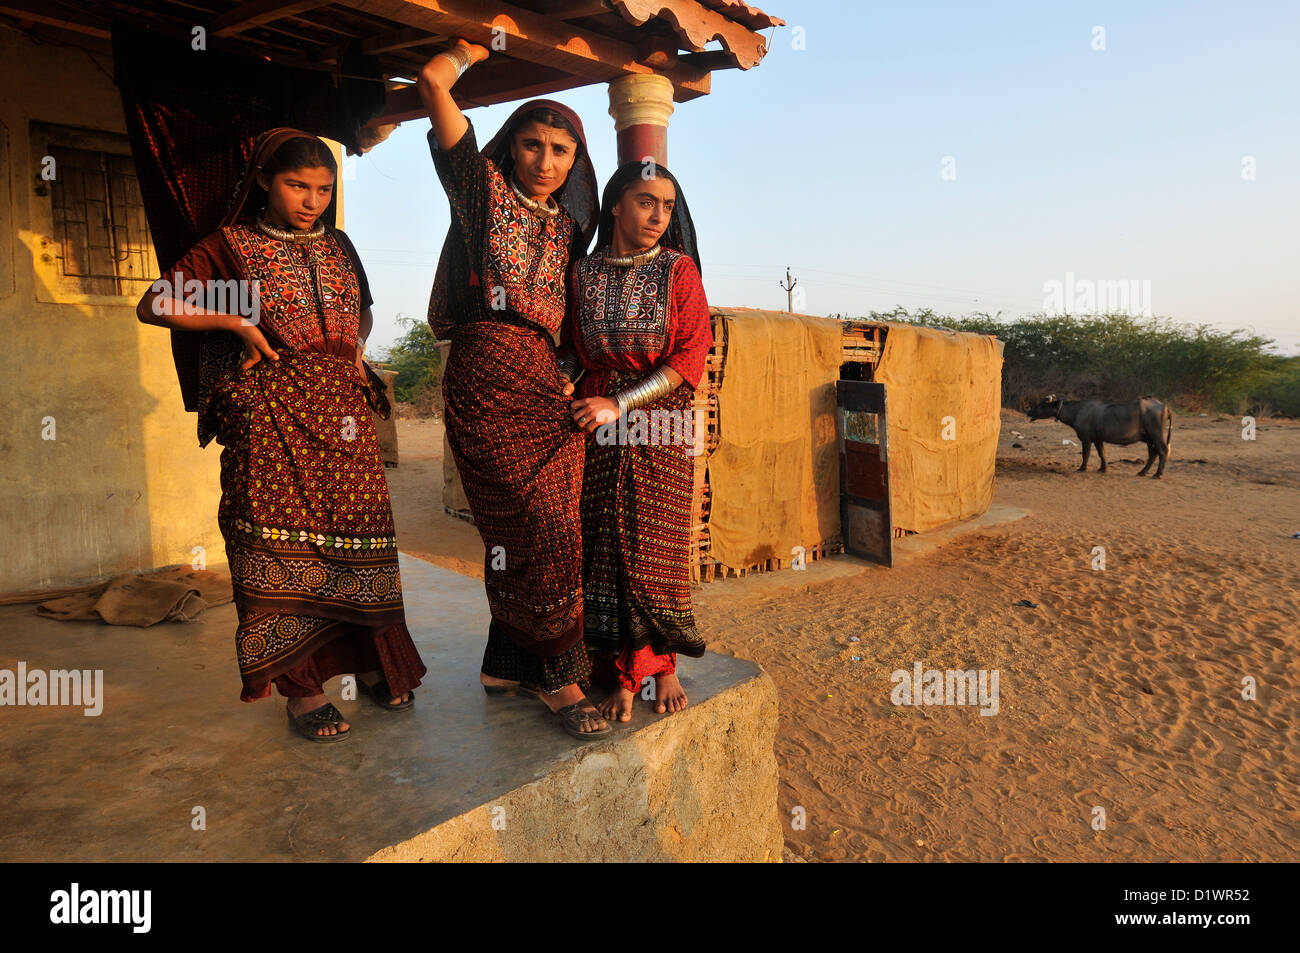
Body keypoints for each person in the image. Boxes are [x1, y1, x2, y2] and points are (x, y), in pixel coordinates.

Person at [136, 129, 426, 743]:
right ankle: (304, 692)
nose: (312, 200)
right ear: (265, 180)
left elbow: (362, 307)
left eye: (323, 189)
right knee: (276, 547)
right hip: (272, 416)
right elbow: (155, 302)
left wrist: (357, 350)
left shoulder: (341, 245)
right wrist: (236, 321)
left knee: (359, 539)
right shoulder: (230, 248)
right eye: (298, 186)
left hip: (343, 416)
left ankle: (373, 662)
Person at [419, 41, 609, 738]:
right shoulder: (482, 193)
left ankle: (505, 663)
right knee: (536, 528)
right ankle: (557, 679)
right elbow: (432, 84)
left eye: (562, 149)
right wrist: (468, 50)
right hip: (484, 376)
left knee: (556, 524)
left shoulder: (568, 230)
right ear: (513, 147)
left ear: (575, 163)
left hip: (544, 388)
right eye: (532, 144)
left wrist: (569, 375)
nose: (545, 160)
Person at [564, 161, 713, 722]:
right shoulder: (583, 273)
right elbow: (578, 347)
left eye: (667, 207)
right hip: (598, 418)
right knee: (602, 543)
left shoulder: (679, 271)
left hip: (662, 419)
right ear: (617, 205)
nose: (657, 216)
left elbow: (689, 354)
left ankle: (661, 663)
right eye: (646, 202)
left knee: (654, 547)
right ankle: (617, 672)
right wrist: (557, 380)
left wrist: (620, 404)